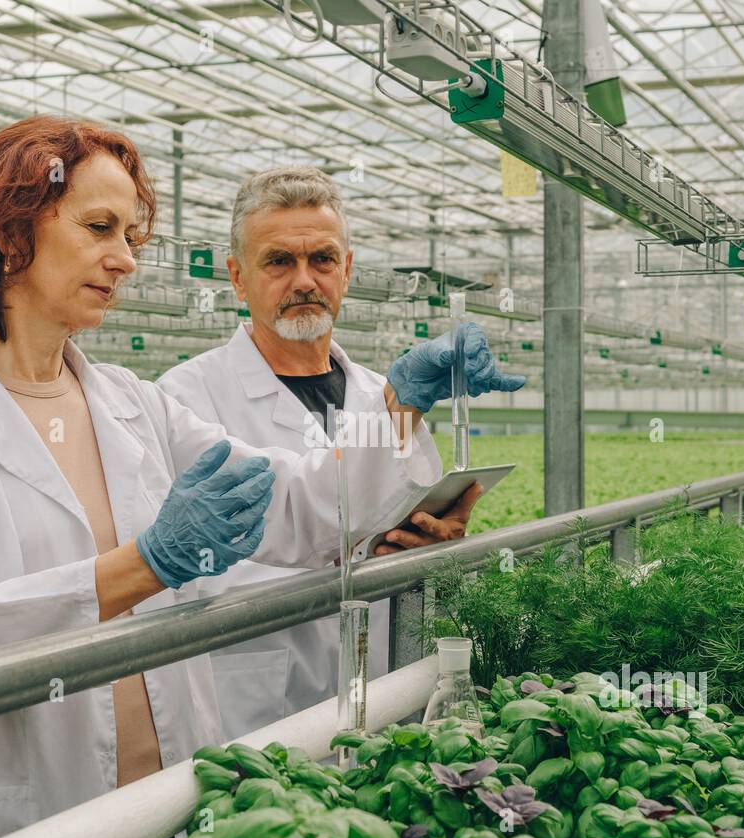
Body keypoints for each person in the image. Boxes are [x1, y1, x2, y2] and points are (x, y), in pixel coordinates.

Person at [0, 116, 522, 838]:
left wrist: (397, 403)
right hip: (22, 817)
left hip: (166, 809)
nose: (125, 260)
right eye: (100, 227)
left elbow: (296, 507)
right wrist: (148, 565)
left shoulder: (134, 403)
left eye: (132, 235)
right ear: (9, 234)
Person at [158, 166, 499, 741]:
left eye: (321, 260)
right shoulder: (186, 399)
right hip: (254, 696)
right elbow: (248, 539)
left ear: (346, 269)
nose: (304, 280)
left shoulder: (377, 393)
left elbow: (410, 516)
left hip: (381, 680)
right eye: (278, 262)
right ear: (238, 278)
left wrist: (433, 540)